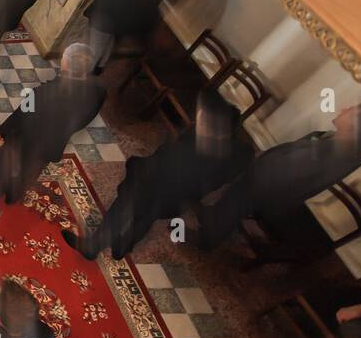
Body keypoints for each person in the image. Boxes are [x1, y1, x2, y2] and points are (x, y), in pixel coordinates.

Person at [63, 90, 251, 260]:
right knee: (147, 214)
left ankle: (94, 246)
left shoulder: (219, 148)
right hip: (176, 190)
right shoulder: (237, 153)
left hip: (163, 182)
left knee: (127, 205)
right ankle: (124, 245)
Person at [198, 103, 361, 249]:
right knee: (236, 203)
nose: (344, 109)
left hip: (268, 183)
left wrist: (254, 166)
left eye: (350, 111)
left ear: (354, 125)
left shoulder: (335, 152)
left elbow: (285, 172)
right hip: (278, 182)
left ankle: (209, 236)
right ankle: (215, 217)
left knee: (236, 202)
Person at [0, 43, 106, 203]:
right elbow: (85, 119)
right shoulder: (99, 92)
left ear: (64, 63)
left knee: (4, 168)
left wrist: (3, 131)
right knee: (29, 173)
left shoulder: (40, 93)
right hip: (52, 145)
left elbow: (20, 116)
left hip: (24, 140)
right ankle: (14, 197)